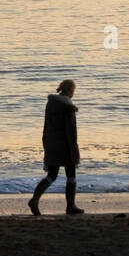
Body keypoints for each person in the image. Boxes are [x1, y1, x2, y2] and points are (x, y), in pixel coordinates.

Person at [29, 79, 83, 215]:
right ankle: (71, 206)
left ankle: (35, 199)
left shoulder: (51, 103)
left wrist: (45, 143)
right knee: (71, 175)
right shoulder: (68, 107)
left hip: (51, 143)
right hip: (64, 145)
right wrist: (74, 151)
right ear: (71, 90)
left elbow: (46, 125)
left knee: (51, 175)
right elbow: (71, 132)